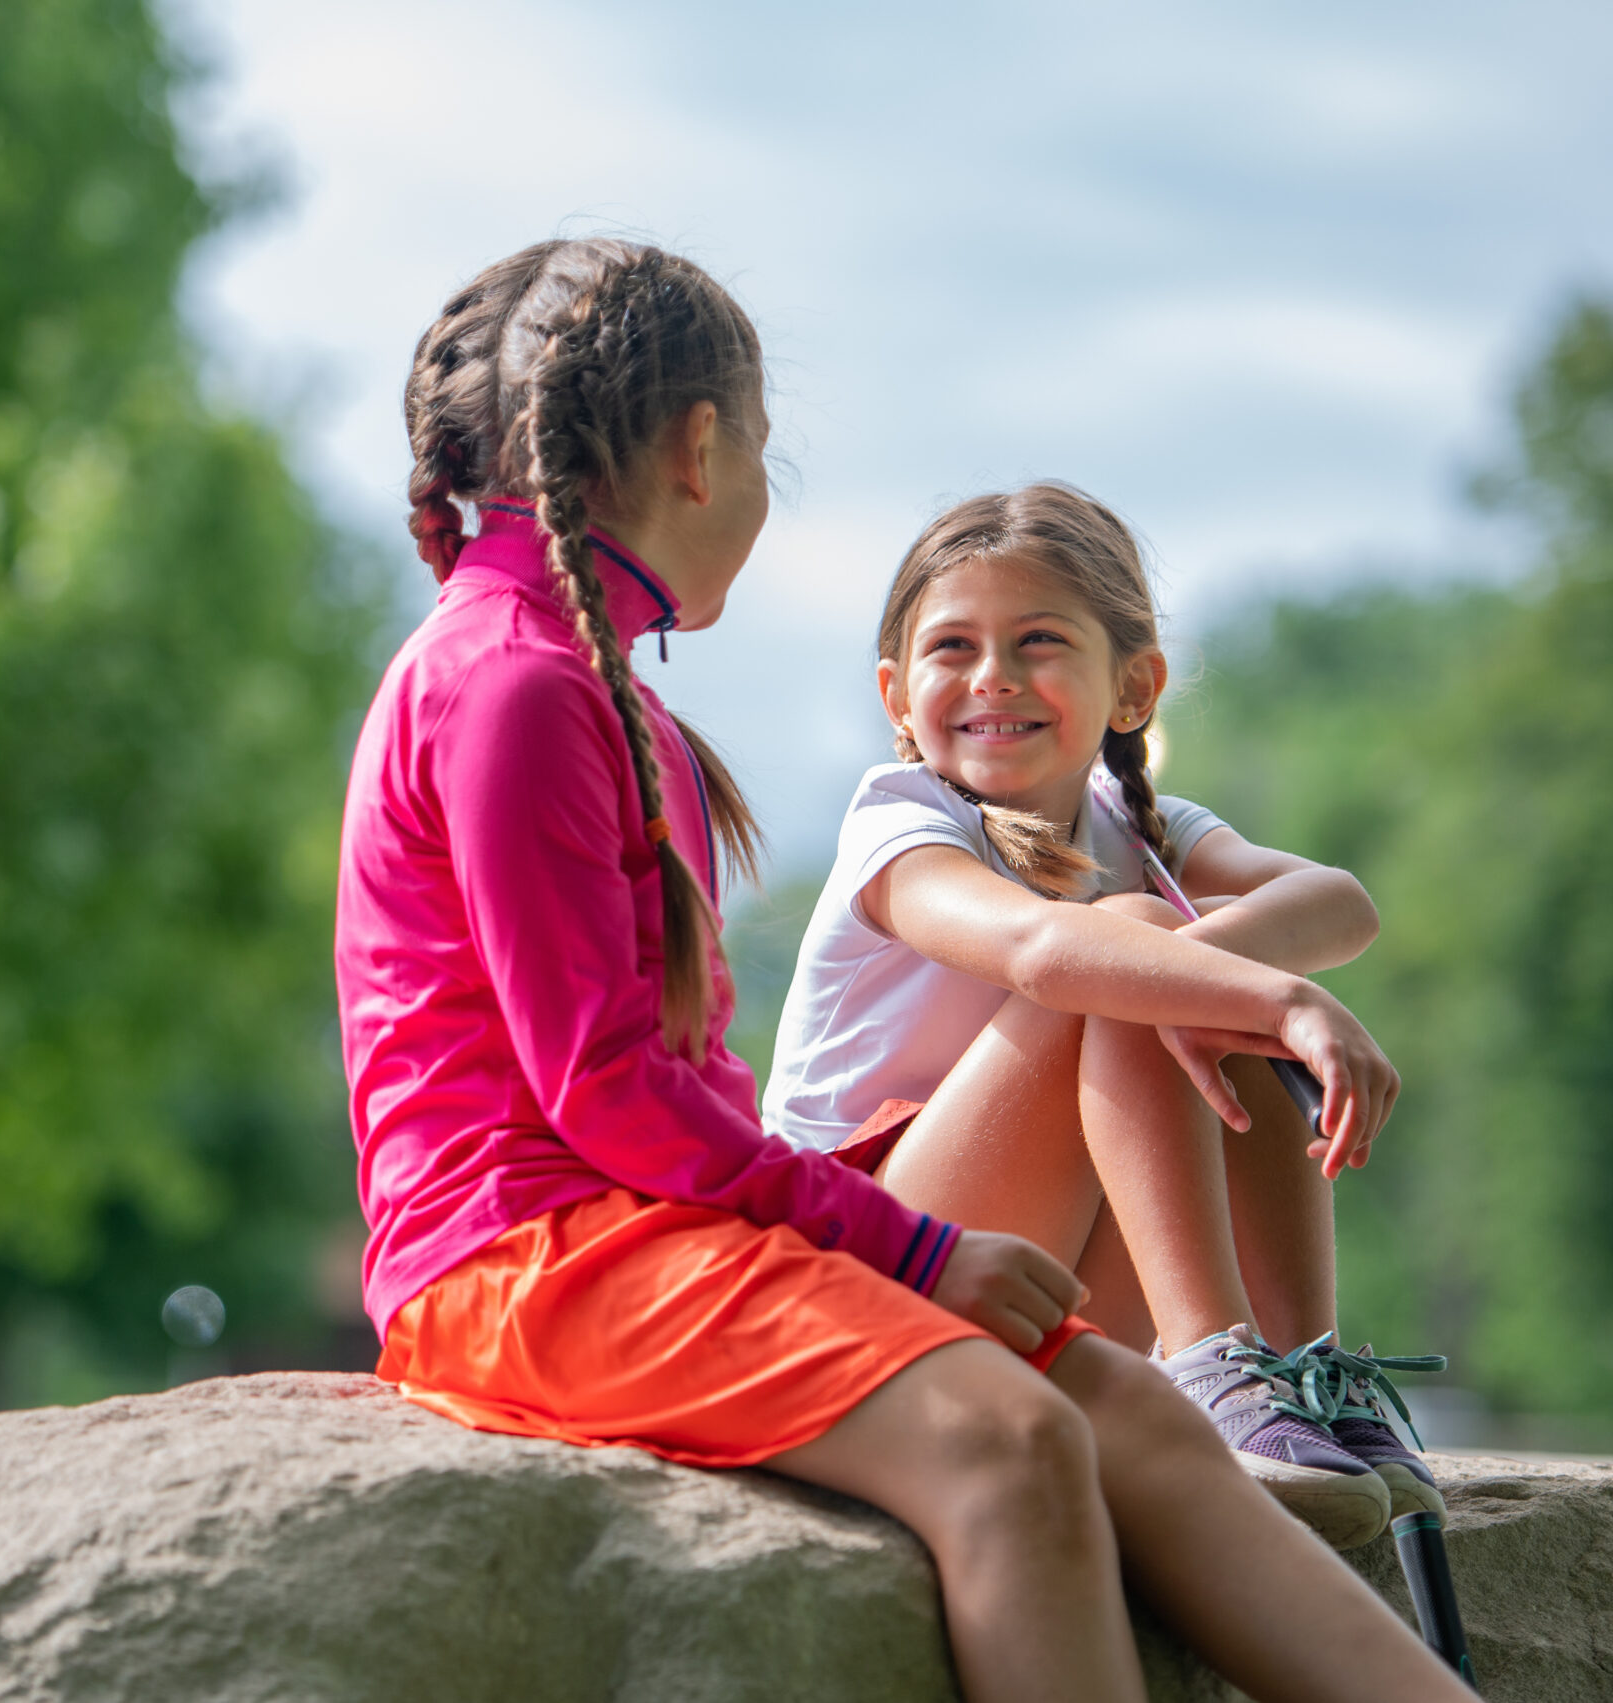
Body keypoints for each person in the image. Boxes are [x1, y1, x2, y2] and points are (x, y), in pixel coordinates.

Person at [338, 237, 1469, 1703]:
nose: (761, 484)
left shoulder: (594, 690)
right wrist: (915, 1250)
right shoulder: (510, 682)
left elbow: (668, 1099)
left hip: (655, 1231)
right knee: (1010, 1442)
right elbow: (604, 1093)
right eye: (760, 446)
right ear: (700, 449)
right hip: (521, 1261)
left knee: (1132, 1415)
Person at [761, 482, 1443, 1549]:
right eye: (953, 646)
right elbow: (1042, 950)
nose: (992, 676)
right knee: (1130, 952)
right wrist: (1266, 992)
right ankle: (1209, 1355)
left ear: (1133, 686)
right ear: (896, 694)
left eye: (1037, 641)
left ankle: (1301, 1364)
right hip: (863, 1268)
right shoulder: (897, 829)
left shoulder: (1141, 823)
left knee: (1170, 957)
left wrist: (1229, 977)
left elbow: (1339, 898)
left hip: (1032, 1267)